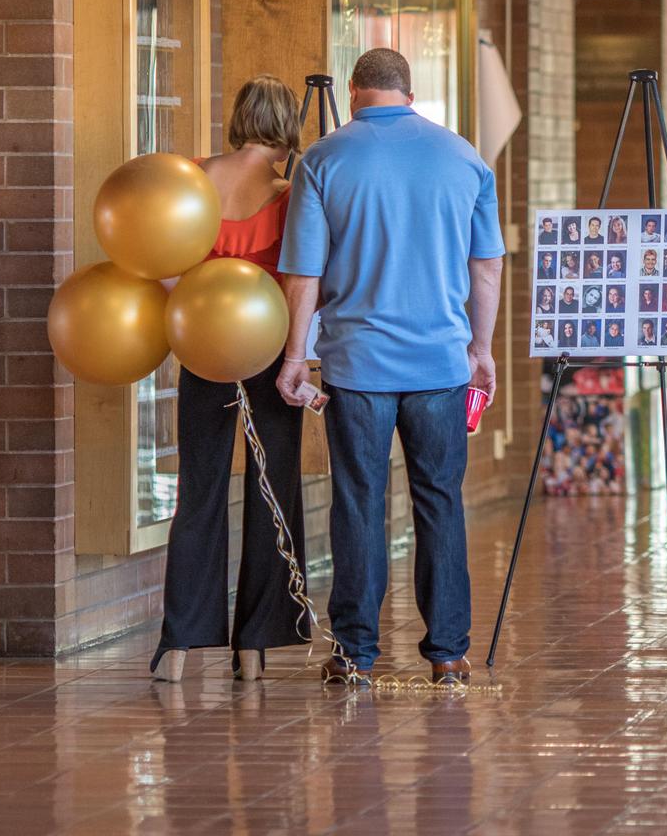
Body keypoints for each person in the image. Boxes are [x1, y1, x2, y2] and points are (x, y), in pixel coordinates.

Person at [277, 49, 504, 686]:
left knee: (358, 504)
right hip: (441, 364)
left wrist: (295, 357)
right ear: (410, 93)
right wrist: (481, 349)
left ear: (353, 91)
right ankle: (449, 654)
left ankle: (355, 654)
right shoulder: (463, 158)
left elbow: (303, 274)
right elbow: (486, 267)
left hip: (357, 366)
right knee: (440, 502)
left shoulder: (323, 160)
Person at [153, 75, 308, 685]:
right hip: (270, 355)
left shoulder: (192, 177)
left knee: (199, 493)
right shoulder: (289, 194)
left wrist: (194, 310)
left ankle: (179, 646)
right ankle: (255, 646)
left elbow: (158, 259)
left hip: (203, 353)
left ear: (239, 117)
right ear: (288, 127)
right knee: (274, 493)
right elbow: (302, 281)